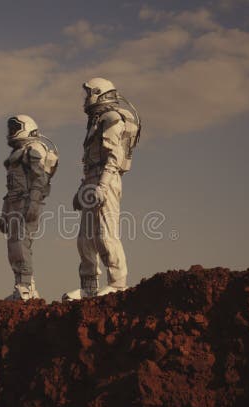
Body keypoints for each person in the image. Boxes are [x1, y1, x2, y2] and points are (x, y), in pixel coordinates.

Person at [63, 77, 141, 301]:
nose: (86, 99)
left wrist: (103, 186)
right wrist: (83, 189)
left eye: (89, 93)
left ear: (99, 93)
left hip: (106, 178)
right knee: (85, 238)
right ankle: (89, 287)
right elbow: (91, 161)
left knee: (106, 235)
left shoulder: (113, 118)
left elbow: (113, 157)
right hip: (92, 179)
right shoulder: (97, 121)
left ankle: (117, 284)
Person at [0, 115, 57, 301]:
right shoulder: (18, 154)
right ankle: (23, 287)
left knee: (21, 244)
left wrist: (34, 202)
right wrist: (4, 213)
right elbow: (10, 190)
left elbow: (40, 179)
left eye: (15, 128)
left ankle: (26, 288)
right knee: (14, 247)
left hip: (26, 203)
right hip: (15, 203)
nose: (11, 132)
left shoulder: (33, 149)